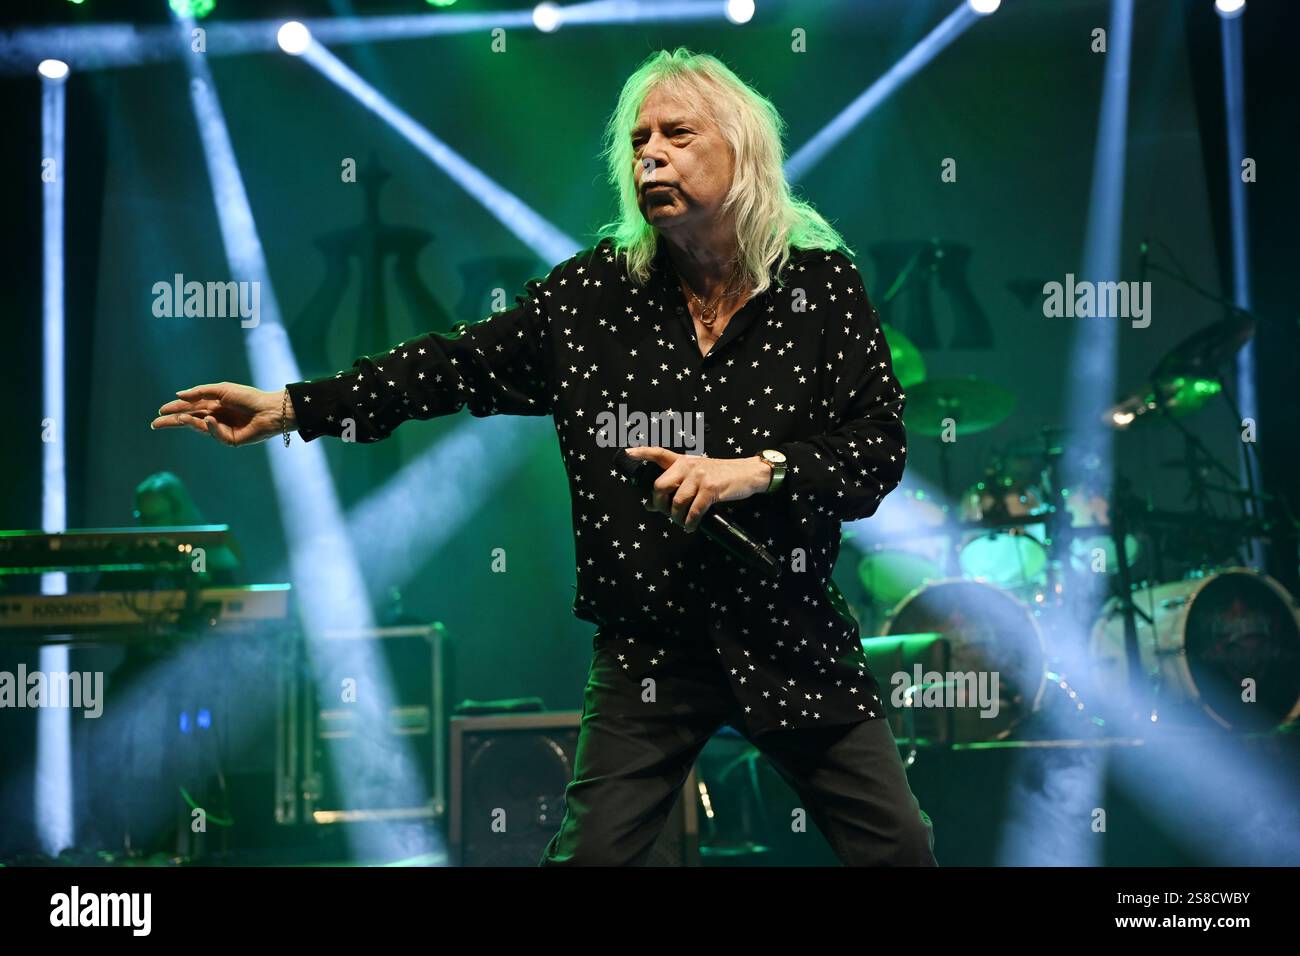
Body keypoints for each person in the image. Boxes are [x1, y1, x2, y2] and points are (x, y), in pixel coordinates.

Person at [151, 48, 935, 866]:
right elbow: (449, 365)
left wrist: (752, 470)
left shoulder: (819, 286)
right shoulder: (594, 296)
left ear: (742, 150)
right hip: (650, 641)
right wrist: (291, 407)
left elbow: (875, 449)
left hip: (788, 628)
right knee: (592, 855)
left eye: (676, 134)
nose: (649, 155)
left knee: (900, 848)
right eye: (637, 141)